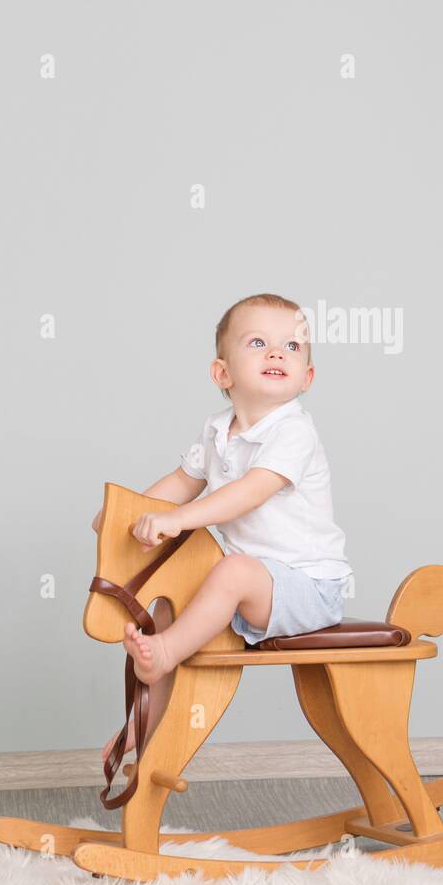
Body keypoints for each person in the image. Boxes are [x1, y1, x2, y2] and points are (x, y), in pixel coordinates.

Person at [97, 292, 353, 762]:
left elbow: (250, 492)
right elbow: (180, 482)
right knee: (177, 597)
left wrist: (177, 520)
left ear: (307, 378)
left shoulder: (293, 430)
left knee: (231, 571)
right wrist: (124, 515)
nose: (278, 353)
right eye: (258, 342)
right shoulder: (217, 431)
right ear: (222, 373)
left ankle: (166, 653)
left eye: (292, 347)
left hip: (308, 586)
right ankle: (144, 724)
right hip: (255, 586)